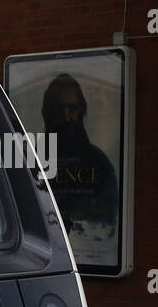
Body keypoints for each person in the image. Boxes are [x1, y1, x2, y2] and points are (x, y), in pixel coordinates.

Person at [41, 73, 119, 236]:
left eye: (72, 108)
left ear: (81, 110)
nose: (66, 116)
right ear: (49, 113)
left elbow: (106, 224)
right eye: (59, 109)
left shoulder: (100, 164)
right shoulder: (31, 162)